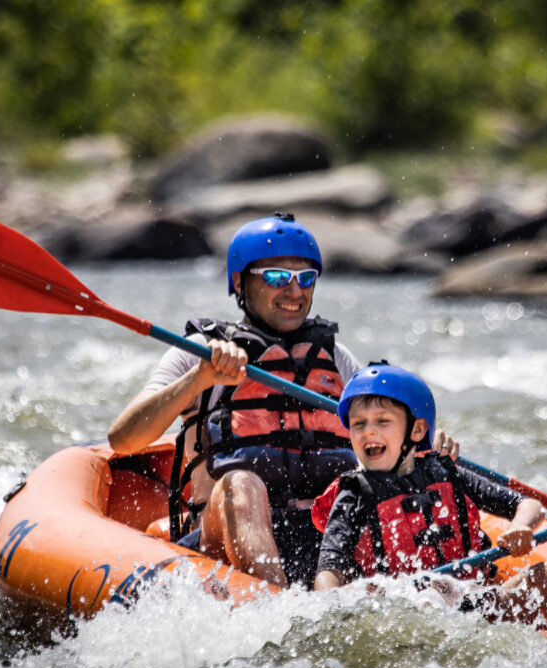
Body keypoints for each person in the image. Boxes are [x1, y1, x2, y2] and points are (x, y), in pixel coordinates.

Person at [108, 213, 459, 589]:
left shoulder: (336, 359)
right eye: (277, 277)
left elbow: (384, 442)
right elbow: (124, 438)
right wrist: (200, 379)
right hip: (224, 536)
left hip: (327, 537)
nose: (295, 292)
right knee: (241, 484)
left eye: (306, 279)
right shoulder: (200, 352)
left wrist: (423, 448)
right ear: (240, 282)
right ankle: (274, 609)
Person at [311, 363, 547, 631]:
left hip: (472, 603)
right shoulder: (354, 494)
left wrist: (521, 527)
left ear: (417, 431)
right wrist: (330, 610)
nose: (368, 431)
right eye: (358, 424)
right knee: (426, 604)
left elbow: (528, 505)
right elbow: (328, 569)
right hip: (406, 616)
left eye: (383, 421)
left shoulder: (446, 472)